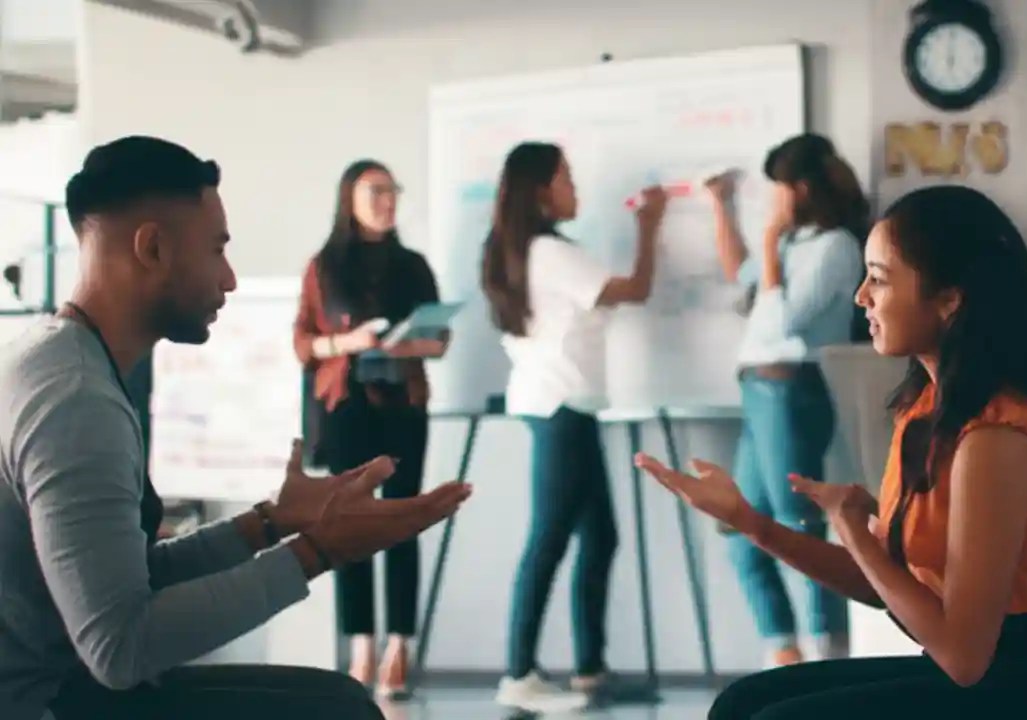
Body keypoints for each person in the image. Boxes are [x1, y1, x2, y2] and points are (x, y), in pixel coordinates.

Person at [0, 136, 471, 720]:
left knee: (340, 701)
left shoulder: (63, 360)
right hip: (46, 702)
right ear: (152, 248)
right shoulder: (75, 400)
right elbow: (120, 647)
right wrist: (316, 552)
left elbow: (129, 578)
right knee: (339, 711)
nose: (229, 279)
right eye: (217, 250)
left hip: (70, 685)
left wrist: (268, 523)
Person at [637, 186, 1027, 717]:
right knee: (743, 702)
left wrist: (859, 534)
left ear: (950, 300)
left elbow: (964, 658)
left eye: (878, 278)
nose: (861, 298)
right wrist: (749, 521)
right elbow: (890, 588)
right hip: (982, 670)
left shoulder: (996, 436)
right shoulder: (924, 412)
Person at [480, 142, 666, 713]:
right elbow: (636, 289)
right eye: (566, 178)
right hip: (560, 407)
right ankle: (518, 674)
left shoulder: (529, 251)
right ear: (541, 190)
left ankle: (589, 669)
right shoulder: (549, 253)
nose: (575, 188)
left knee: (598, 538)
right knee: (549, 539)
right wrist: (649, 225)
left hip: (567, 407)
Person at [703, 132, 870, 668]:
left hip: (793, 388)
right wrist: (723, 207)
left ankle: (830, 651)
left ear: (800, 189)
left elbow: (784, 321)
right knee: (737, 526)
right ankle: (784, 650)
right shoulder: (796, 245)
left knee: (797, 522)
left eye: (776, 190)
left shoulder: (838, 246)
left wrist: (772, 245)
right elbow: (741, 276)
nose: (771, 202)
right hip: (758, 391)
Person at [293, 159, 447, 697]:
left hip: (403, 404)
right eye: (376, 191)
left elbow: (440, 339)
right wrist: (349, 343)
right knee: (351, 526)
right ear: (350, 199)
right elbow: (303, 344)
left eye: (392, 190)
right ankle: (360, 646)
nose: (388, 200)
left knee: (403, 518)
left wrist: (405, 345)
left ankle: (399, 646)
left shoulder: (413, 265)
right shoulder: (325, 266)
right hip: (346, 405)